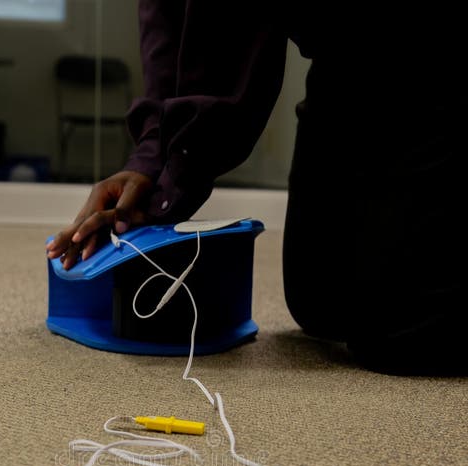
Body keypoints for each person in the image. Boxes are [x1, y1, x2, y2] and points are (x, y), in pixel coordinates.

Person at [46, 2, 466, 375]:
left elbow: (232, 26)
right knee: (320, 308)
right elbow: (168, 18)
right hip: (343, 55)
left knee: (404, 337)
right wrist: (151, 156)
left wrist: (173, 181)